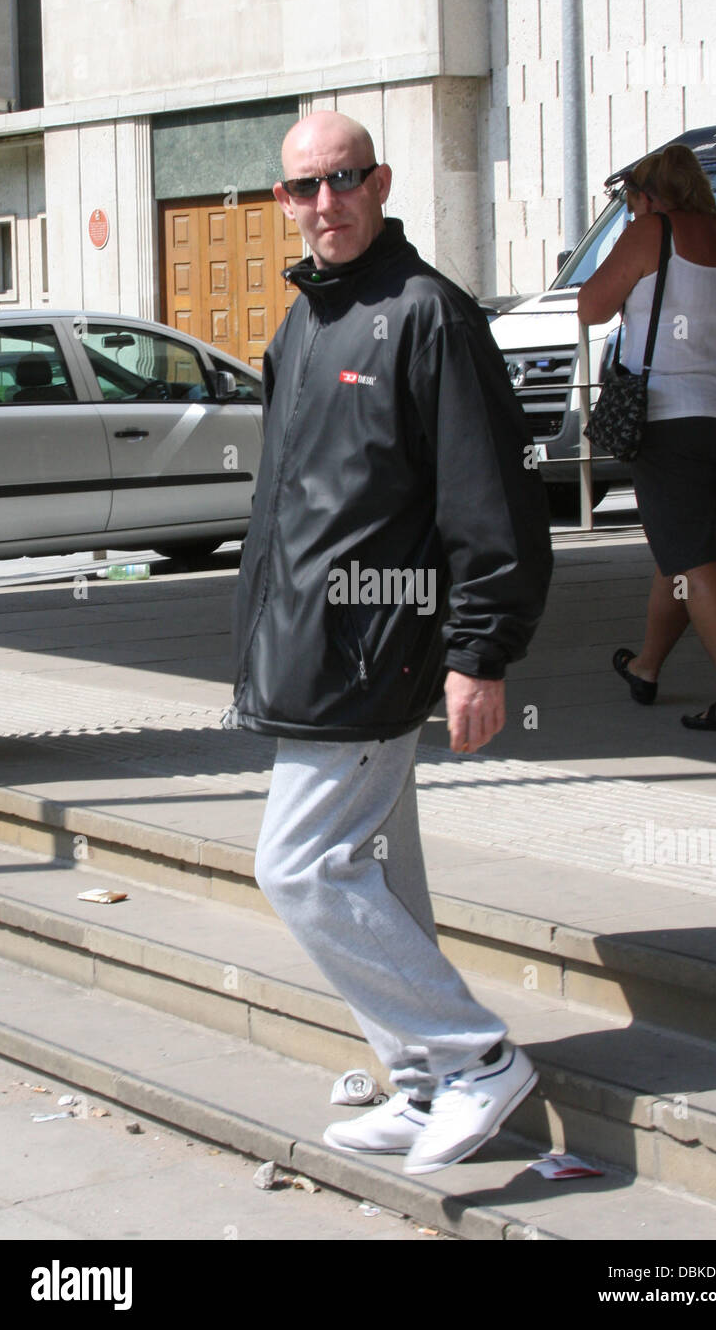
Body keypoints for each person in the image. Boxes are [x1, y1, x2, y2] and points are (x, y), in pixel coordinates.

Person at [225, 111, 553, 1174]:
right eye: (303, 188)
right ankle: (419, 1082)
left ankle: (474, 1059)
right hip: (309, 646)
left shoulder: (427, 316)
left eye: (345, 180)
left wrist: (479, 649)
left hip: (374, 648)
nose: (325, 204)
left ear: (382, 182)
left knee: (299, 865)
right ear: (282, 199)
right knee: (373, 868)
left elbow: (488, 496)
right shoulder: (304, 323)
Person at [578, 143, 716, 731]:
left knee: (692, 555)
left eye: (632, 200)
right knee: (680, 547)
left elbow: (590, 308)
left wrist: (631, 235)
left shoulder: (650, 232)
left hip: (670, 418)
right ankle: (647, 666)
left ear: (647, 195)